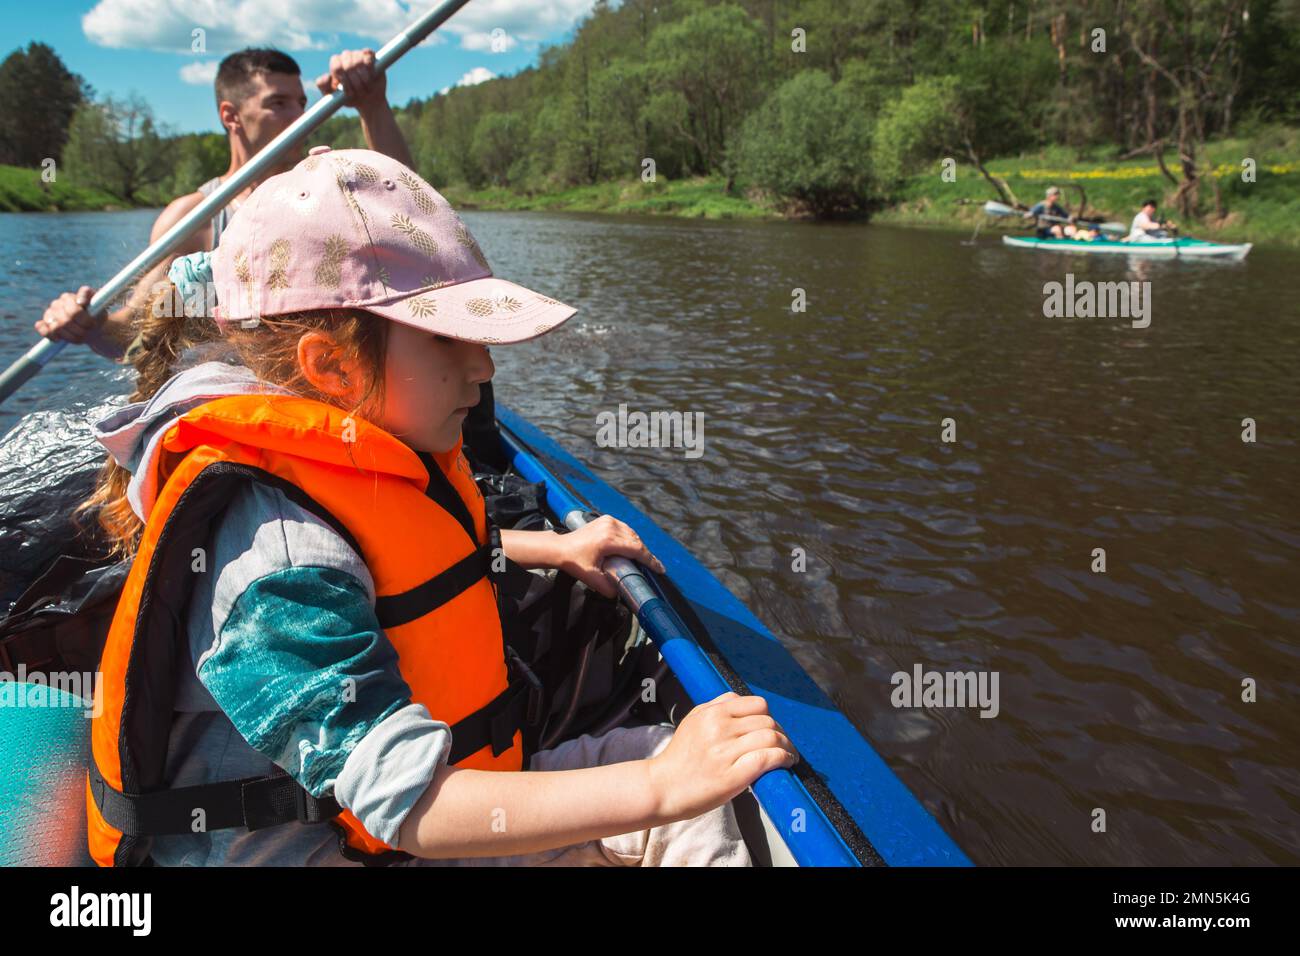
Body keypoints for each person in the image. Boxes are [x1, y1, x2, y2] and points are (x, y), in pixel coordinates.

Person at [80, 148, 797, 867]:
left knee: (700, 780)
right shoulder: (279, 560)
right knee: (678, 783)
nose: (483, 367)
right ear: (331, 365)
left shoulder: (357, 456)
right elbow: (407, 804)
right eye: (447, 338)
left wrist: (549, 548)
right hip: (373, 844)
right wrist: (657, 786)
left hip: (423, 817)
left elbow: (403, 570)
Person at [34, 47, 413, 362]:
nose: (301, 117)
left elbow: (407, 211)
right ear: (231, 116)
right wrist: (90, 325)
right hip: (230, 412)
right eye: (278, 104)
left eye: (301, 102)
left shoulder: (323, 195)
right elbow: (132, 336)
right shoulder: (193, 220)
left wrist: (372, 104)